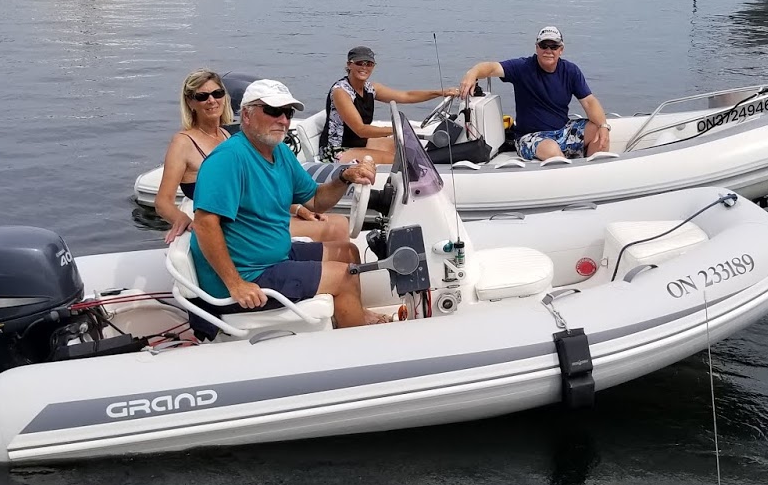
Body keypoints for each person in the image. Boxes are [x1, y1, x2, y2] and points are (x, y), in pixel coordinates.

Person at [191, 79, 384, 329]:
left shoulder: (279, 151)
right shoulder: (228, 159)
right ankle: (354, 348)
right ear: (247, 115)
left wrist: (344, 177)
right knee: (345, 277)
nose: (283, 120)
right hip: (247, 274)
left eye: (288, 113)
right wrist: (236, 284)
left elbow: (315, 201)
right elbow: (205, 224)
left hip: (274, 255)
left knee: (349, 253)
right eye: (273, 111)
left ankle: (353, 313)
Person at [155, 69, 345, 248]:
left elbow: (256, 190)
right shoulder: (183, 143)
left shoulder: (226, 136)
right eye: (202, 96)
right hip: (235, 229)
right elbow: (163, 202)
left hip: (254, 217)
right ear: (190, 103)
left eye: (218, 93)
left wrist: (298, 209)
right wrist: (183, 220)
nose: (212, 100)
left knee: (338, 222)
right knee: (336, 228)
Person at [457, 26, 610, 161]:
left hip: (562, 130)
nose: (548, 51)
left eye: (554, 46)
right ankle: (568, 179)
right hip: (530, 136)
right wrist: (473, 73)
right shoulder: (523, 67)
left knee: (599, 130)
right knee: (551, 149)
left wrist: (603, 125)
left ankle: (591, 172)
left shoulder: (571, 71)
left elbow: (589, 102)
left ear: (561, 50)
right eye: (544, 46)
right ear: (537, 48)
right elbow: (491, 68)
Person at [320, 45, 455, 162]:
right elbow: (361, 130)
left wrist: (440, 92)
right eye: (359, 63)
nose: (364, 67)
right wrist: (398, 130)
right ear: (349, 65)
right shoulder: (341, 92)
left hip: (358, 143)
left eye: (369, 64)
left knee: (408, 148)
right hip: (336, 151)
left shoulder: (370, 88)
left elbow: (406, 96)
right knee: (399, 159)